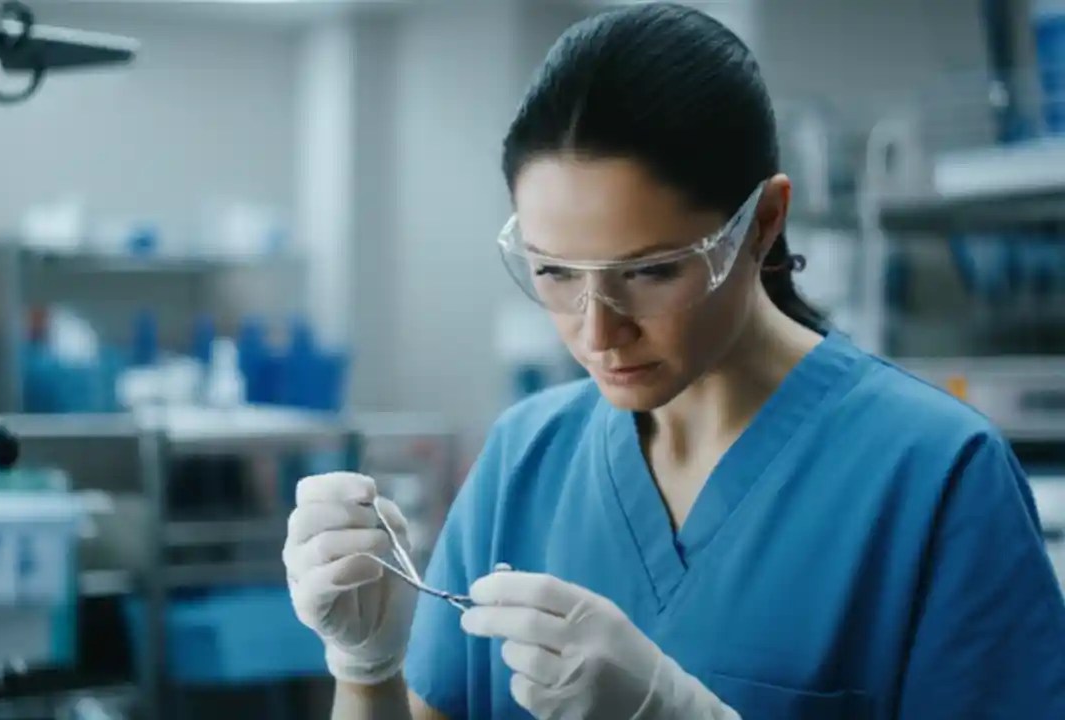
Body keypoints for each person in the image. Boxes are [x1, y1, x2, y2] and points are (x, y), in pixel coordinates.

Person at [282, 3, 1065, 718]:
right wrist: (366, 670)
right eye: (554, 271)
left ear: (763, 222)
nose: (598, 333)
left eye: (651, 271)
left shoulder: (936, 476)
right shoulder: (525, 458)